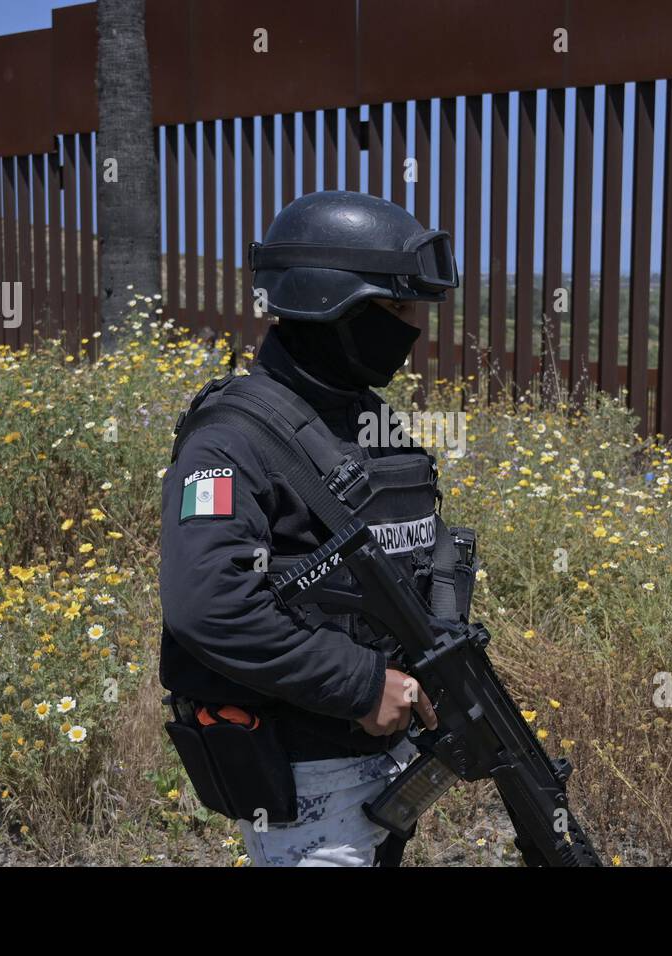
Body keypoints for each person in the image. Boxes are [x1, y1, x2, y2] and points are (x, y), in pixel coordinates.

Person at [159, 190, 459, 867]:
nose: (414, 327)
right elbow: (208, 606)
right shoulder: (229, 440)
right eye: (398, 307)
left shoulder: (364, 426)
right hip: (305, 773)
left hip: (388, 758)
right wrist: (359, 685)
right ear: (333, 304)